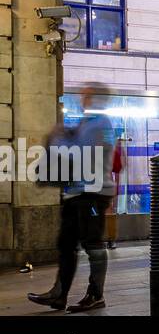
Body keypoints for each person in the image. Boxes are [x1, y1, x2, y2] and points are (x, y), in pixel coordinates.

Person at [28, 89, 117, 313]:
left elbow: (77, 153)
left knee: (92, 243)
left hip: (92, 194)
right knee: (66, 244)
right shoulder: (86, 123)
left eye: (87, 95)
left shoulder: (100, 124)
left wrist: (57, 137)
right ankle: (59, 294)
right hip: (75, 192)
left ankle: (96, 295)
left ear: (96, 98)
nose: (82, 98)